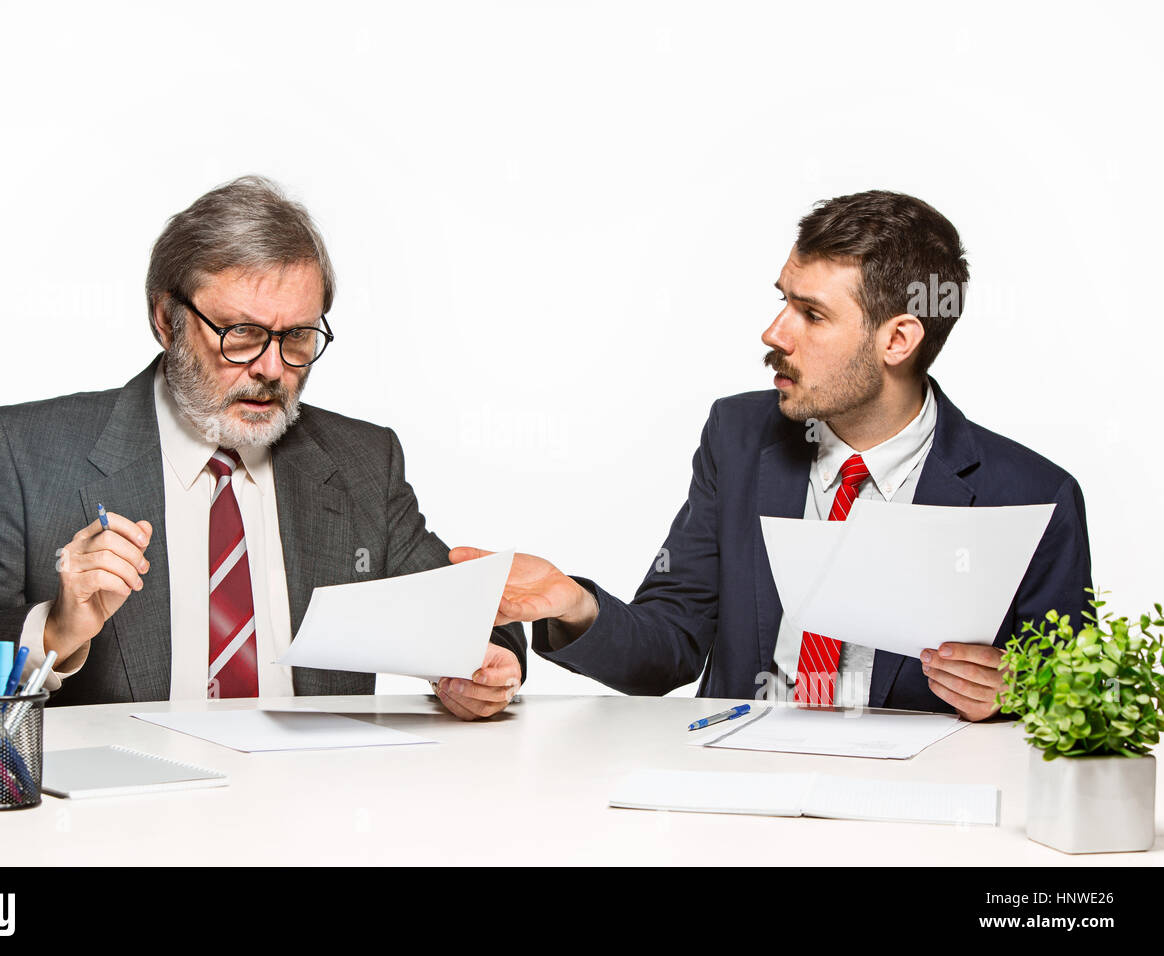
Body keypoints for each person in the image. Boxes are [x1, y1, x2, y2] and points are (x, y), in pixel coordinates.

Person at [0, 175, 525, 721]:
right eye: (242, 334)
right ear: (166, 319)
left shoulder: (362, 461)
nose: (274, 369)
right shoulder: (27, 456)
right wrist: (51, 633)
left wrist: (486, 668)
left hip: (317, 825)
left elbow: (474, 624)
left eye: (298, 337)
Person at [452, 190, 1091, 720]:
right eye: (783, 298)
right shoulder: (738, 435)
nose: (773, 333)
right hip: (740, 783)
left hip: (910, 803)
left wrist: (1020, 694)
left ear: (899, 338)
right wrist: (573, 605)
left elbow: (1085, 705)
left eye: (811, 314)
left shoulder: (1033, 495)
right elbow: (671, 645)